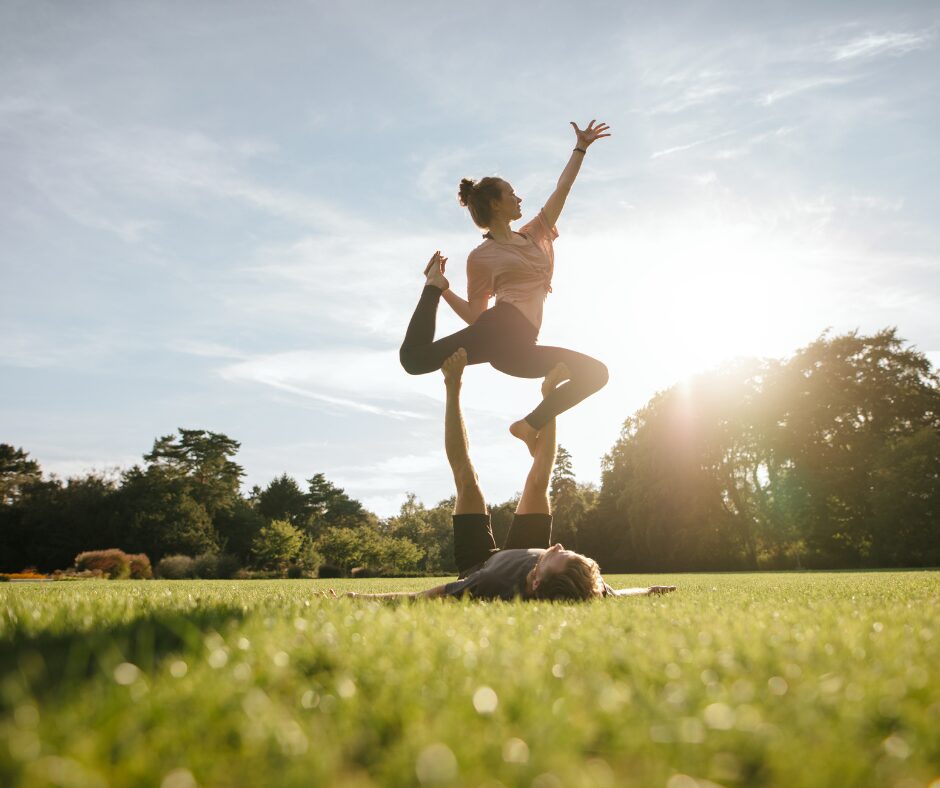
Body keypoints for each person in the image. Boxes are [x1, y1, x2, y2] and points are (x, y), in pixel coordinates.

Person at [346, 350, 676, 601]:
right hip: (526, 551)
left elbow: (422, 598)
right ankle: (549, 399)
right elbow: (617, 594)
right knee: (538, 482)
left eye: (559, 555)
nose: (559, 545)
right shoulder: (586, 581)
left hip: (480, 563)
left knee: (468, 481)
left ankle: (452, 384)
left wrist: (358, 598)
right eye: (569, 551)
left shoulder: (488, 583)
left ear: (535, 581)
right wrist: (649, 590)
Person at [399, 120, 612, 457]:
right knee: (413, 360)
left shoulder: (534, 234)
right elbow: (476, 315)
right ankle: (431, 286)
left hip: (519, 350)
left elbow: (562, 191)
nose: (518, 197)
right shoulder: (480, 257)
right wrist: (443, 290)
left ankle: (528, 426)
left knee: (596, 374)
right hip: (501, 326)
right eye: (511, 193)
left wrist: (581, 148)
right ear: (496, 204)